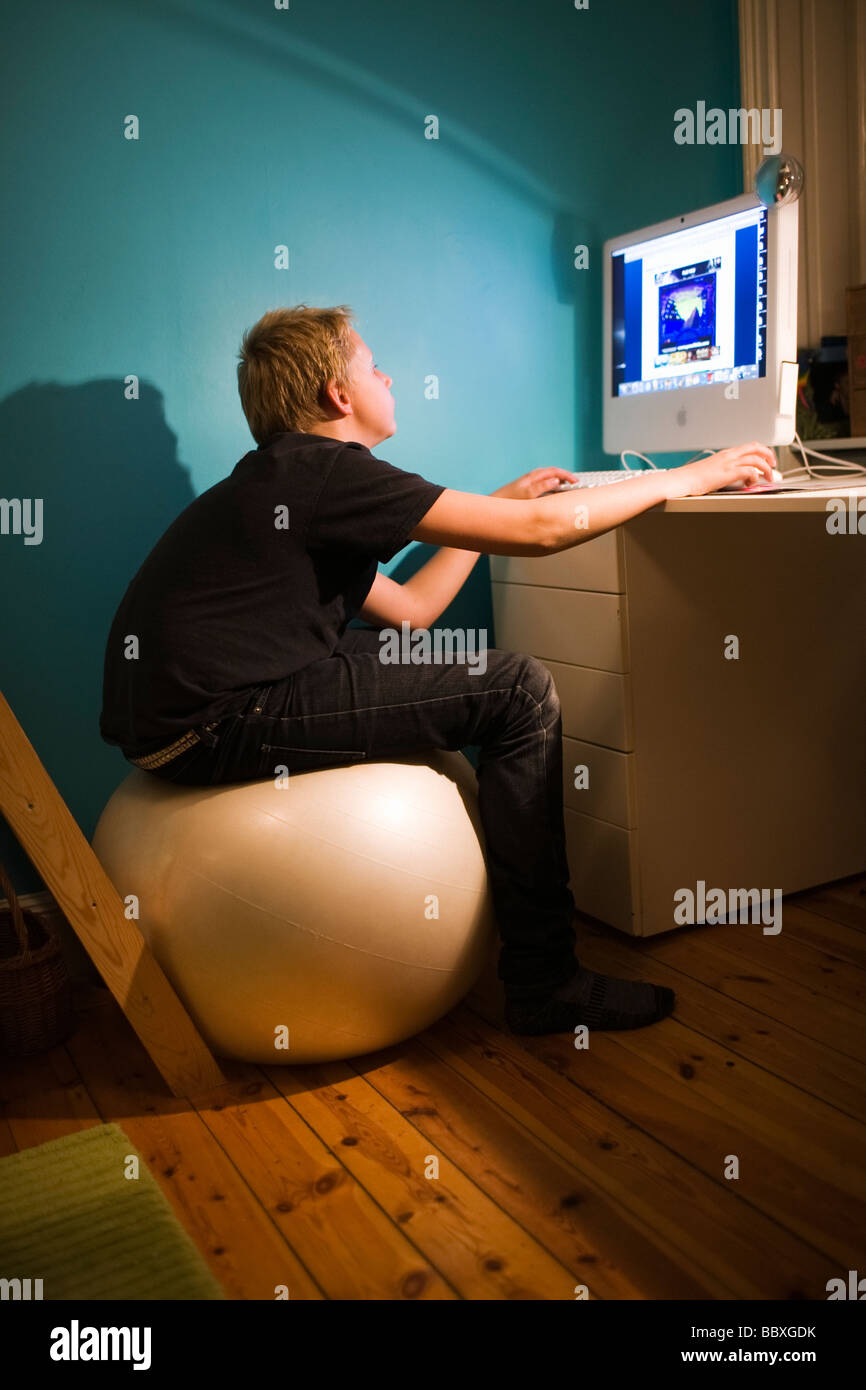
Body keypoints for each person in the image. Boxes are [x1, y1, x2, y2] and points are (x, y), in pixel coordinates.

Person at [99, 304, 777, 1037]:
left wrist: (497, 506)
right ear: (338, 394)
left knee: (462, 667)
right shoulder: (328, 473)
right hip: (215, 721)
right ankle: (546, 981)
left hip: (176, 718)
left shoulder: (284, 485)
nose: (388, 376)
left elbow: (412, 612)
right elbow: (546, 533)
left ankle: (538, 964)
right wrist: (696, 474)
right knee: (520, 691)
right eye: (373, 365)